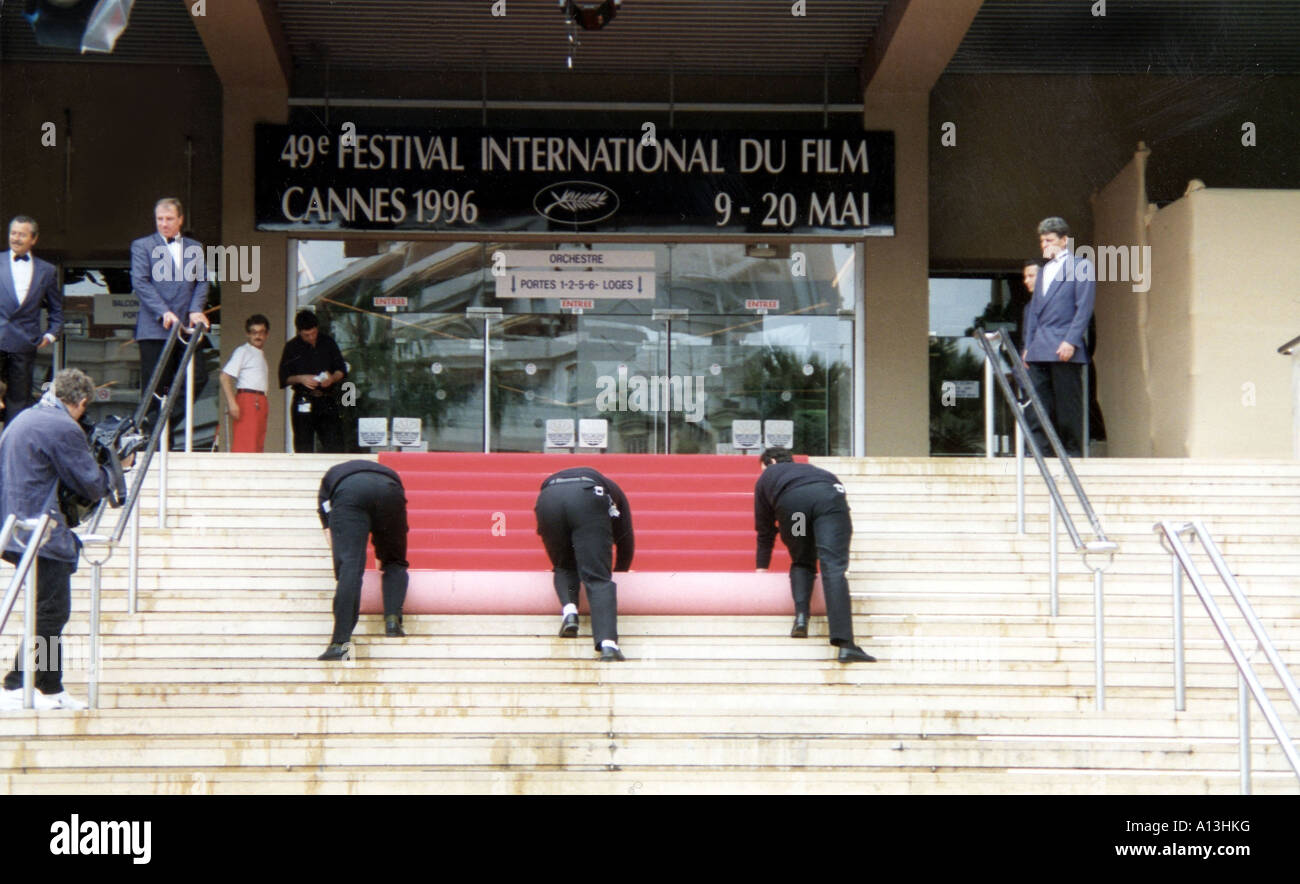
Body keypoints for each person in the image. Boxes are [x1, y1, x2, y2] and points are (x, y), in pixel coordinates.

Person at [0, 369, 113, 710]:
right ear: (80, 402)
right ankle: (19, 682)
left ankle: (50, 686)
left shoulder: (26, 417)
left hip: (17, 525)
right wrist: (116, 465)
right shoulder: (62, 426)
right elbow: (91, 484)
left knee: (47, 610)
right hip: (40, 531)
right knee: (51, 611)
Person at [754, 447, 874, 663]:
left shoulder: (768, 476)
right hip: (828, 502)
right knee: (833, 569)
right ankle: (845, 644)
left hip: (796, 509)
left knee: (802, 559)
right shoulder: (815, 470)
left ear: (771, 461)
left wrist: (761, 567)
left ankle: (801, 618)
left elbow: (765, 529)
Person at [130, 197, 210, 449]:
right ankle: (154, 445)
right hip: (155, 330)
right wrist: (163, 312)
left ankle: (154, 424)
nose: (164, 224)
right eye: (160, 219)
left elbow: (203, 281)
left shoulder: (194, 247)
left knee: (198, 378)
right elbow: (140, 282)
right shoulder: (142, 246)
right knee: (156, 388)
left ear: (180, 220)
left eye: (169, 219)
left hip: (185, 329)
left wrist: (196, 310)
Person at [534, 466, 633, 661]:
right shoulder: (615, 492)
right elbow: (625, 538)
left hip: (547, 497)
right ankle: (608, 644)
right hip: (588, 496)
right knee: (597, 577)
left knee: (562, 565)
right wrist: (620, 570)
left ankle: (570, 612)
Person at [315, 460, 409, 661]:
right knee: (395, 561)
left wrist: (342, 547)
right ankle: (393, 622)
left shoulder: (329, 480)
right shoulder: (385, 471)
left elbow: (328, 527)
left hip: (349, 492)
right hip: (391, 490)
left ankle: (340, 643)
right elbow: (395, 531)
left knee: (350, 565)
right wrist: (384, 553)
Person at [1021, 216, 1095, 458]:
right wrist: (1028, 346)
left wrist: (1071, 341)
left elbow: (1084, 308)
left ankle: (1071, 453)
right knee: (1038, 403)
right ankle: (1041, 452)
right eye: (1042, 241)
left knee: (1067, 405)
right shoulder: (1043, 272)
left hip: (1064, 344)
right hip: (1040, 346)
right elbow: (1034, 311)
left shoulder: (1081, 266)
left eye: (1049, 240)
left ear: (1064, 240)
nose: (1045, 245)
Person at [0, 216, 62, 423]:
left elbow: (56, 310)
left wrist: (51, 335)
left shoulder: (47, 270)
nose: (16, 238)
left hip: (24, 343)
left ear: (33, 239)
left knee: (18, 402)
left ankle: (12, 449)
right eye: (13, 233)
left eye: (22, 234)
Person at [279, 310, 347, 453]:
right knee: (303, 445)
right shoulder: (292, 347)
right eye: (306, 335)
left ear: (317, 328)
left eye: (313, 333)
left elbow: (341, 369)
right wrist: (300, 378)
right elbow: (284, 377)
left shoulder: (328, 342)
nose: (311, 337)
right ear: (299, 332)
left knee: (334, 444)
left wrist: (332, 378)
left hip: (326, 399)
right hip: (303, 399)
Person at [219, 314, 271, 453]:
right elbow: (224, 376)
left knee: (257, 445)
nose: (258, 336)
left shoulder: (259, 353)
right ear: (247, 334)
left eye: (261, 332)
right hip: (248, 399)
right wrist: (232, 403)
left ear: (267, 334)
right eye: (254, 332)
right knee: (246, 445)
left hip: (260, 400)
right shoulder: (243, 350)